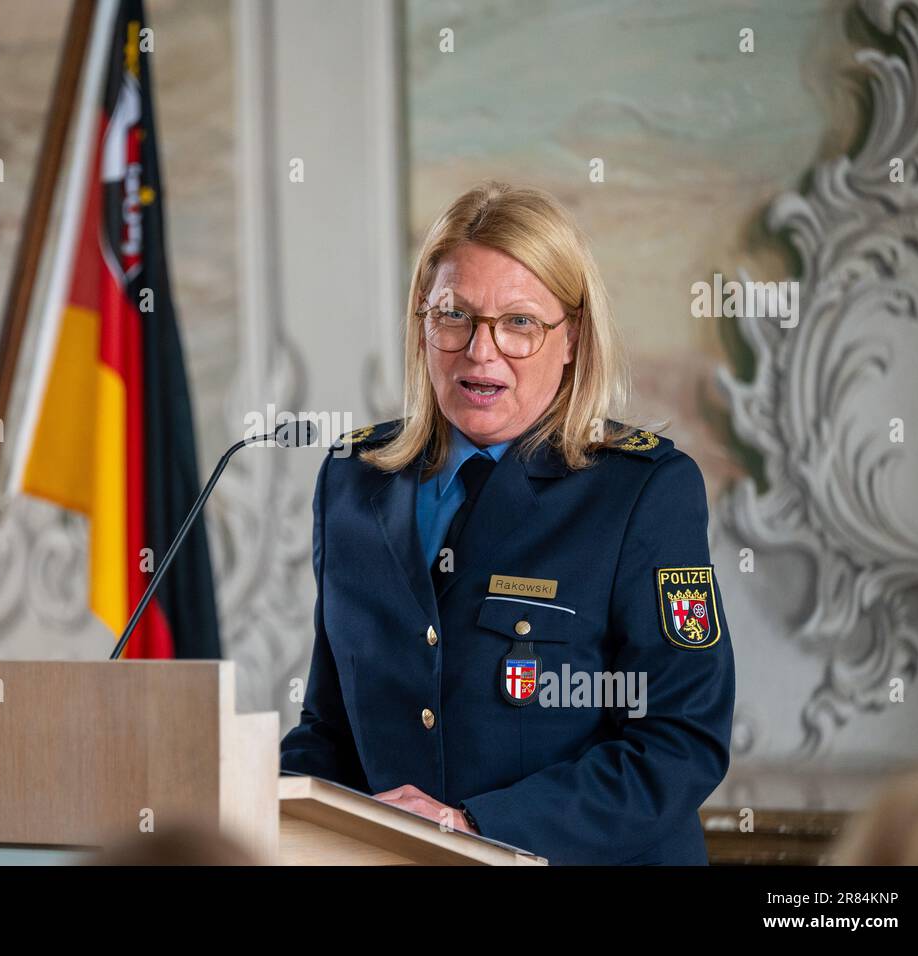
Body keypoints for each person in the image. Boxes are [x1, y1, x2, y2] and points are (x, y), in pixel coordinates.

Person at [280, 181, 735, 865]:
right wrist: (255, 802)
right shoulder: (353, 481)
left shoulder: (642, 492)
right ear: (421, 324)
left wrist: (472, 827)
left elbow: (679, 743)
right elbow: (331, 727)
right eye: (454, 315)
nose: (480, 352)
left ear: (573, 337)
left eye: (519, 323)